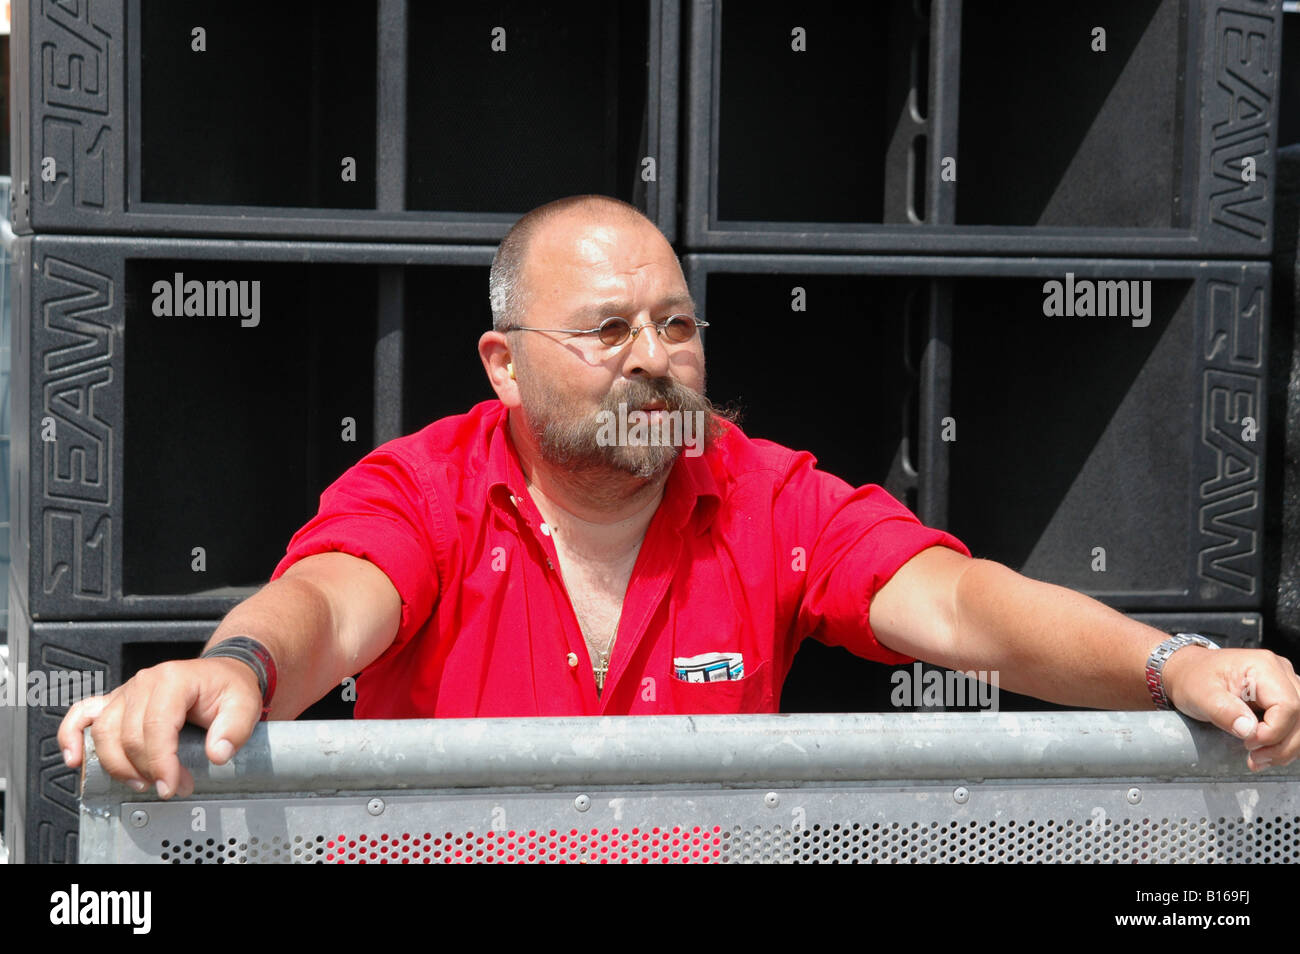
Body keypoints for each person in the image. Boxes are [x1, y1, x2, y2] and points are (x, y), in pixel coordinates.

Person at [59, 195, 1300, 801]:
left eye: (676, 322)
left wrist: (1168, 664)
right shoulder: (429, 486)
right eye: (606, 329)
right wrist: (238, 668)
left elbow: (966, 608)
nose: (655, 354)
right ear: (503, 361)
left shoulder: (763, 493)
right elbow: (331, 605)